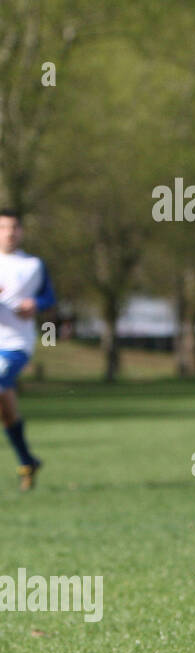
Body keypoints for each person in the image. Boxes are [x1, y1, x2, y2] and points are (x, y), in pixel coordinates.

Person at [0, 209, 56, 492]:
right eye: (4, 228)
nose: (9, 233)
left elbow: (49, 296)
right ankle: (27, 461)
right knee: (6, 409)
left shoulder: (33, 264)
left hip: (15, 345)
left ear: (21, 232)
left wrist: (35, 304)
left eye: (14, 228)